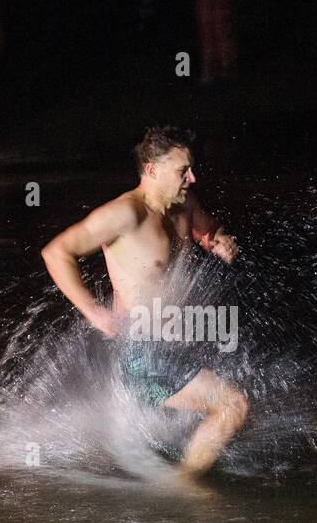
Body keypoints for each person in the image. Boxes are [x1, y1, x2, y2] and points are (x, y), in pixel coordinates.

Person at [41, 127, 248, 479]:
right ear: (152, 170)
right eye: (183, 171)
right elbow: (57, 252)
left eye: (192, 169)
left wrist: (217, 239)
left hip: (175, 342)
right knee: (232, 406)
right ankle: (182, 489)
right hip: (141, 350)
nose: (193, 178)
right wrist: (93, 312)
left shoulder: (185, 204)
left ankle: (116, 464)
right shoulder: (124, 215)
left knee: (165, 429)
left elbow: (204, 227)